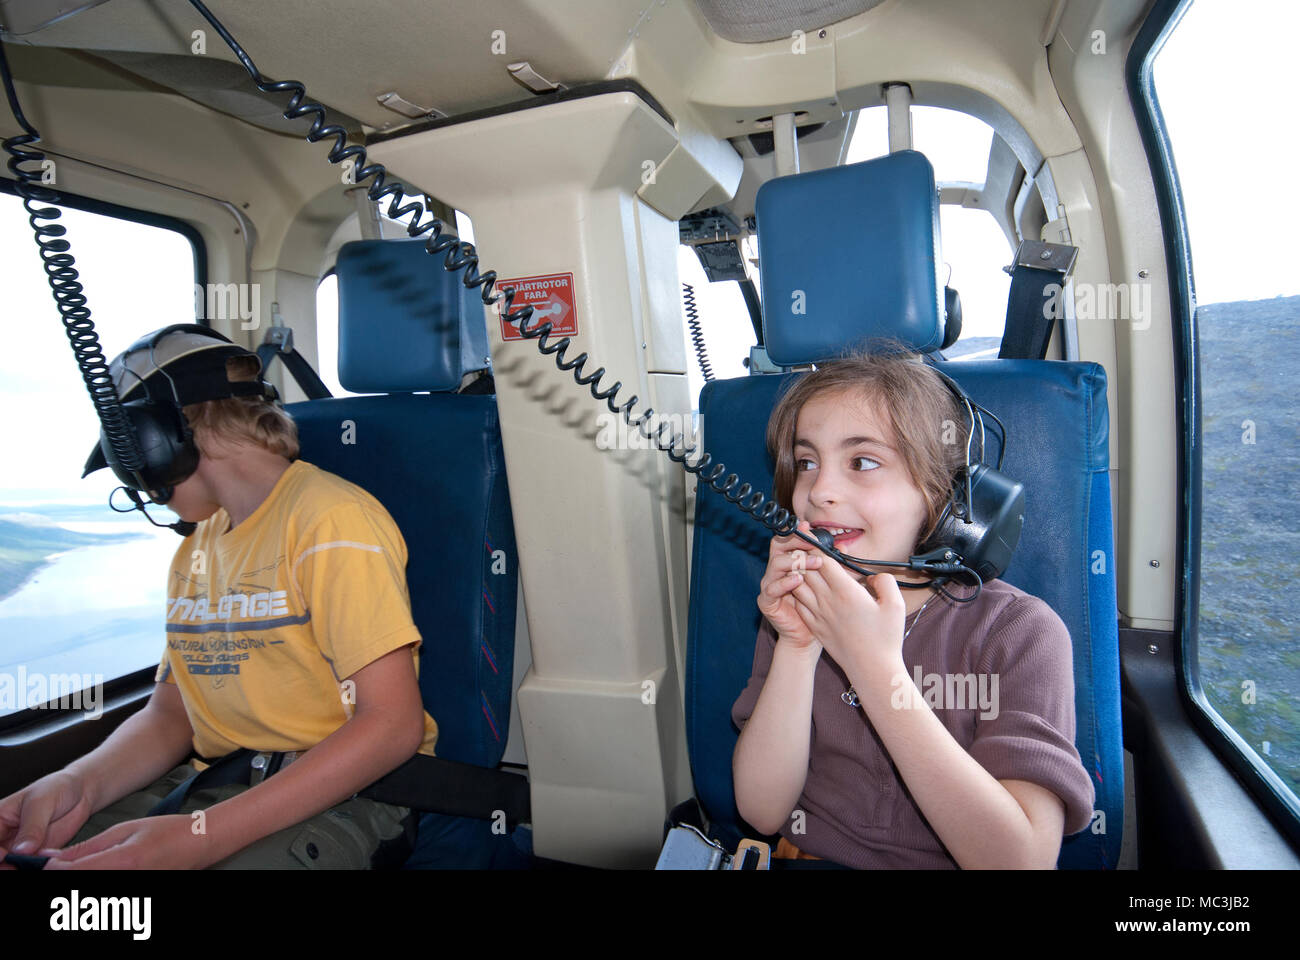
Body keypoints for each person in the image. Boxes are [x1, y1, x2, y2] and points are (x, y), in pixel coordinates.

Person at [0, 325, 436, 869]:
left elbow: (392, 726)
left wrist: (200, 839)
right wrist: (77, 784)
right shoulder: (197, 548)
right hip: (220, 783)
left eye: (127, 449)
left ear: (160, 437)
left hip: (347, 793)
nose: (133, 477)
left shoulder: (331, 521)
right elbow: (171, 715)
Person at [731, 350, 1096, 869]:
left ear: (943, 495)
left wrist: (874, 668)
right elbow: (762, 812)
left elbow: (1021, 862)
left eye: (862, 462)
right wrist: (797, 646)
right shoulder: (800, 609)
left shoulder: (1017, 632)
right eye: (807, 463)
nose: (819, 492)